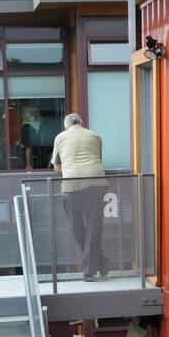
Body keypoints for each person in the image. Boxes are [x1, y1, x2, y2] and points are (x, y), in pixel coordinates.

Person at [50, 113, 109, 278]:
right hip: (96, 183)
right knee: (93, 225)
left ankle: (89, 271)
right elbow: (98, 159)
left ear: (66, 125)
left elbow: (56, 167)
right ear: (82, 123)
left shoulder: (60, 138)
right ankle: (101, 262)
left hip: (72, 185)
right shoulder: (95, 136)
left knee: (76, 226)